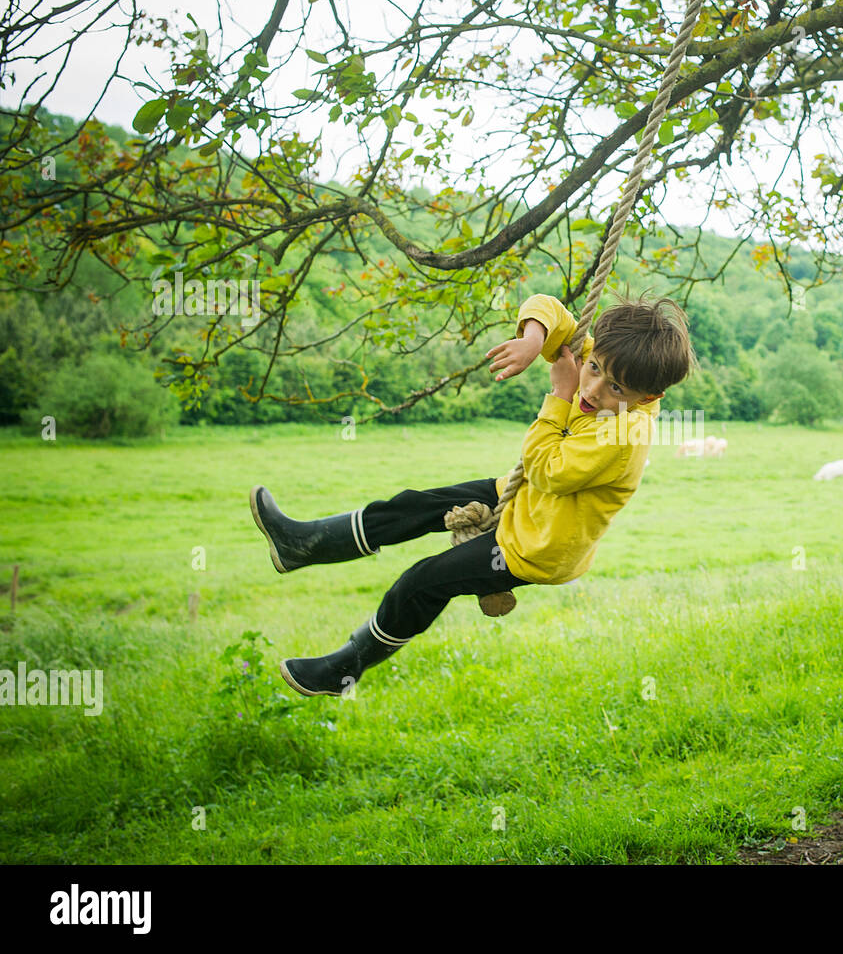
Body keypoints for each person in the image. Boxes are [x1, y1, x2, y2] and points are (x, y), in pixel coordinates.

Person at [250, 291, 695, 696]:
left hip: (532, 545)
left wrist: (561, 394)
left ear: (647, 396)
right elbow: (550, 309)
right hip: (518, 498)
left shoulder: (623, 438)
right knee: (415, 505)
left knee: (420, 583)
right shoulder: (613, 361)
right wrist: (531, 339)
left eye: (615, 388)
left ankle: (344, 668)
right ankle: (303, 544)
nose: (593, 389)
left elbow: (547, 472)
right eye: (593, 368)